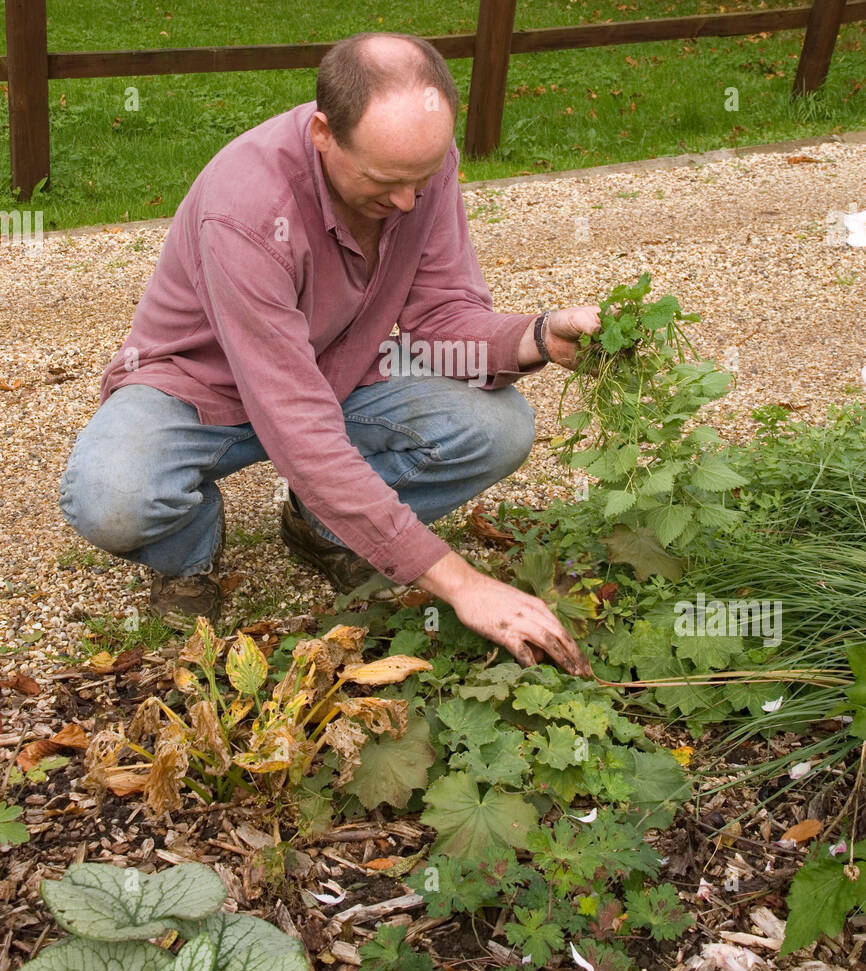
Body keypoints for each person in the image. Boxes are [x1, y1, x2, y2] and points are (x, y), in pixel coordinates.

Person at [59, 33, 601, 674]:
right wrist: (462, 585)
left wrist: (536, 336)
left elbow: (440, 317)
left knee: (499, 425)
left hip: (338, 368)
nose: (406, 202)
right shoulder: (247, 213)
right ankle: (188, 558)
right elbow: (298, 425)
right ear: (323, 132)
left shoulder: (415, 164)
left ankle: (322, 525)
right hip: (199, 388)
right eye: (385, 182)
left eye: (421, 181)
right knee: (112, 497)